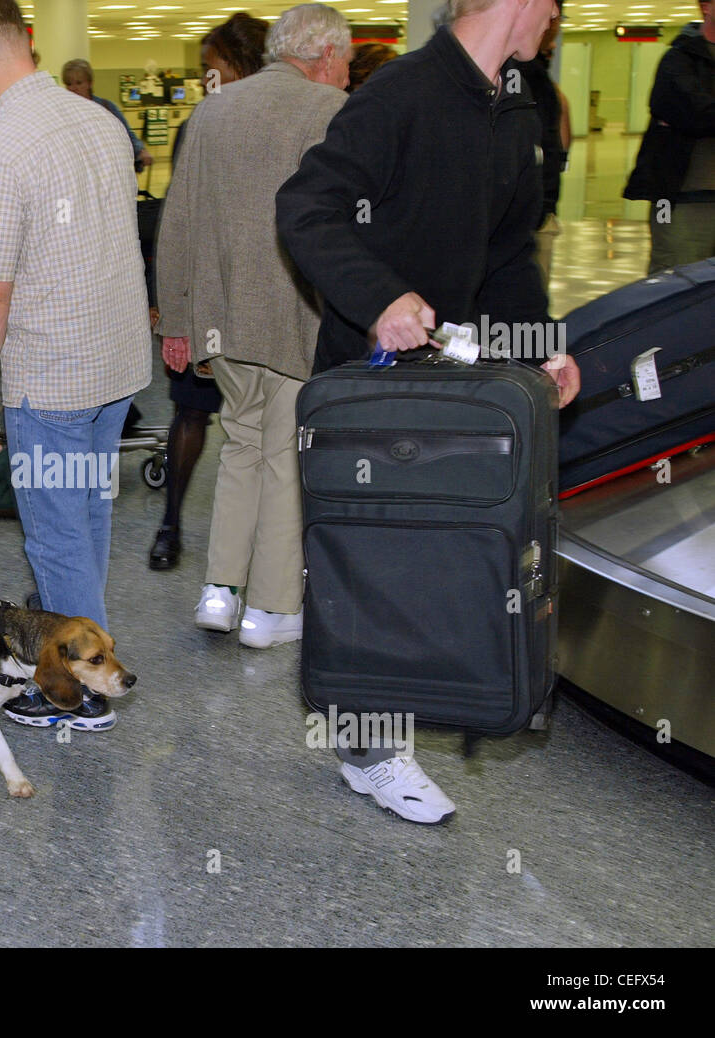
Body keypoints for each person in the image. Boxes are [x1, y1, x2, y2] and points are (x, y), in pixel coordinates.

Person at [276, 0, 581, 823]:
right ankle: (370, 751)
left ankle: (400, 719)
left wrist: (537, 345)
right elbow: (307, 208)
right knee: (372, 571)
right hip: (371, 385)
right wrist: (379, 298)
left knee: (436, 564)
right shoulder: (398, 96)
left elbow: (509, 251)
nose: (553, 22)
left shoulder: (518, 110)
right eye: (552, 6)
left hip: (459, 387)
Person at [0, 0, 150, 732]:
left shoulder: (1, 149)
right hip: (115, 366)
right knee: (89, 521)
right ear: (25, 42)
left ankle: (79, 694)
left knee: (58, 536)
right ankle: (98, 665)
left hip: (54, 377)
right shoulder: (98, 119)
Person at [157, 4, 350, 648]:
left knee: (240, 446)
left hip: (224, 317)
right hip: (298, 313)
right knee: (284, 458)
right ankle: (271, 609)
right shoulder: (327, 112)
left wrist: (177, 320)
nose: (347, 76)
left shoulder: (215, 109)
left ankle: (218, 591)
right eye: (346, 61)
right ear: (323, 53)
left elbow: (177, 221)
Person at [148, 11, 269, 571]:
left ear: (238, 63)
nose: (203, 78)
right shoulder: (198, 124)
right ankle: (170, 522)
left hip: (263, 297)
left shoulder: (277, 119)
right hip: (206, 302)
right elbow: (179, 220)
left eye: (210, 67)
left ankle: (262, 541)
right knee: (191, 413)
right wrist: (171, 304)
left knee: (264, 425)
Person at [624, 0, 715, 273]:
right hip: (676, 202)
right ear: (706, 7)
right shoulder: (678, 59)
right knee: (674, 285)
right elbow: (695, 113)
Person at [513, 11, 572, 288]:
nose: (555, 20)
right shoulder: (522, 73)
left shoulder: (539, 76)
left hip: (537, 211)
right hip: (526, 218)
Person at [61, 58, 154, 170]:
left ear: (90, 83)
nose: (74, 88)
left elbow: (126, 134)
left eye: (79, 83)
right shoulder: (62, 113)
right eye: (69, 84)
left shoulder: (107, 107)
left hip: (106, 168)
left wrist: (141, 151)